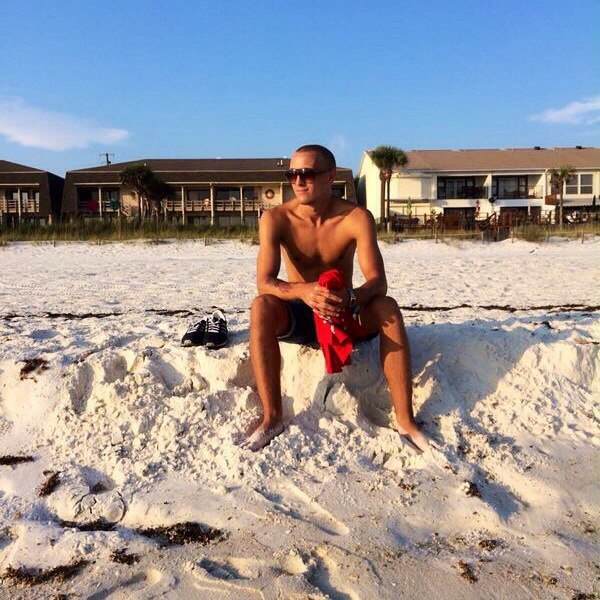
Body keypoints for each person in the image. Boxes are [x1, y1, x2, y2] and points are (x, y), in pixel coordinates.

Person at [241, 144, 428, 452]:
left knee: (387, 306)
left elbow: (378, 282)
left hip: (344, 308)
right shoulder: (276, 218)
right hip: (301, 312)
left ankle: (405, 420)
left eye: (307, 174)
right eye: (292, 174)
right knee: (261, 306)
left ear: (330, 176)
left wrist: (351, 296)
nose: (298, 181)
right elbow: (264, 283)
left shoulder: (355, 217)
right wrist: (304, 290)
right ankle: (272, 417)